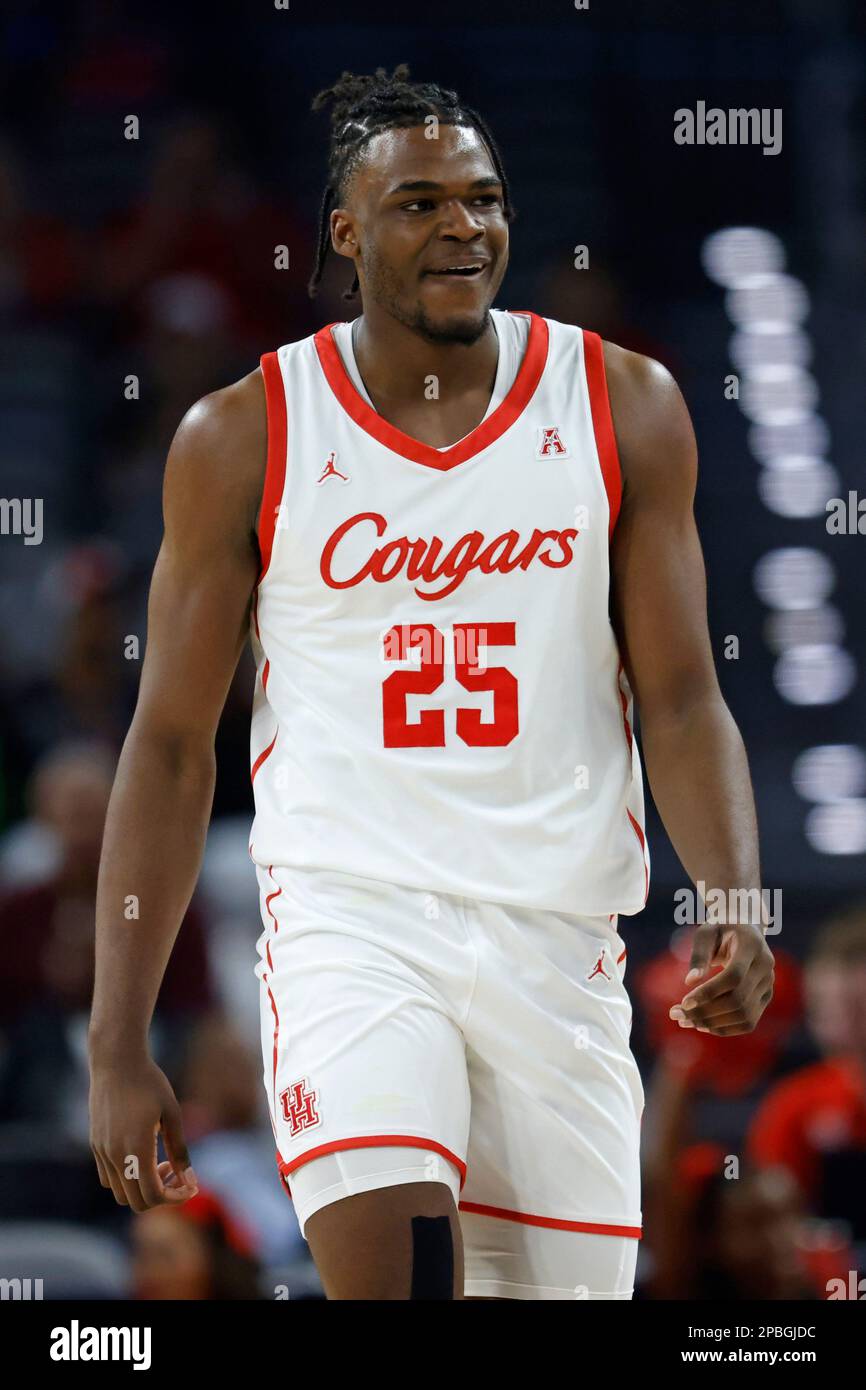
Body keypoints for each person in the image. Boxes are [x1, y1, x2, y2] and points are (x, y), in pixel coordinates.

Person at [88, 64, 775, 1301]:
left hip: (559, 940)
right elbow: (171, 743)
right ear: (345, 234)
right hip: (354, 925)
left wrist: (735, 888)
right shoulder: (245, 433)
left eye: (483, 197)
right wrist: (116, 1038)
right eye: (418, 203)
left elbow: (680, 696)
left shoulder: (624, 405)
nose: (462, 225)